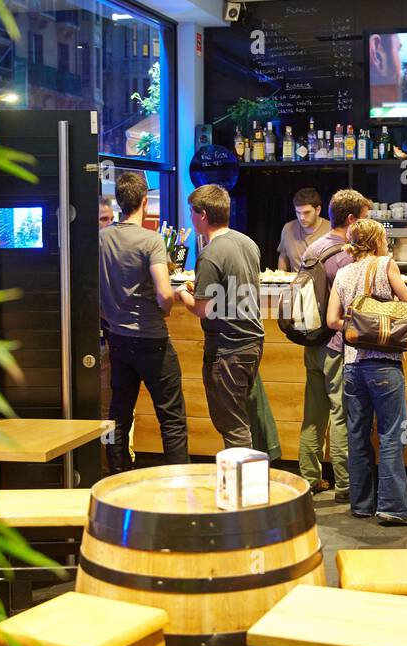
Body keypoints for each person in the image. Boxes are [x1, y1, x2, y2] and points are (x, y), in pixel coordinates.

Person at [325, 219, 407, 525]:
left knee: (357, 433)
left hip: (352, 363)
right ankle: (394, 507)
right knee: (391, 434)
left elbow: (331, 320)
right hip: (383, 362)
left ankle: (361, 504)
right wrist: (379, 327)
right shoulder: (385, 264)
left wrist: (358, 328)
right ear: (378, 240)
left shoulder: (341, 273)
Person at [99, 173, 188, 473]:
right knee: (171, 417)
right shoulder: (151, 240)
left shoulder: (102, 238)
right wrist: (169, 304)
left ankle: (118, 478)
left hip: (118, 339)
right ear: (144, 202)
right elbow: (163, 292)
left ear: (118, 202)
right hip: (151, 339)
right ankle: (178, 484)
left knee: (119, 414)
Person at [177, 184, 265, 449]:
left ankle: (244, 488)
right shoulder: (247, 242)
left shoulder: (211, 254)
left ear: (202, 214)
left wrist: (182, 293)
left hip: (228, 349)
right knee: (240, 417)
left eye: (192, 212)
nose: (190, 218)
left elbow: (203, 309)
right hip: (251, 343)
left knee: (232, 425)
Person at [297, 189, 370, 501]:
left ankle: (309, 479)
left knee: (313, 414)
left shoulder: (313, 248)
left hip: (311, 342)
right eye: (365, 218)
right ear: (351, 219)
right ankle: (345, 485)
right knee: (341, 415)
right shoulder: (346, 256)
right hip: (337, 344)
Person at [276, 187, 330, 271]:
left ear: (317, 210)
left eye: (307, 212)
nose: (301, 217)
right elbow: (284, 256)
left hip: (321, 283)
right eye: (298, 212)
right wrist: (280, 278)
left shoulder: (330, 229)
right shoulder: (288, 228)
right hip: (295, 282)